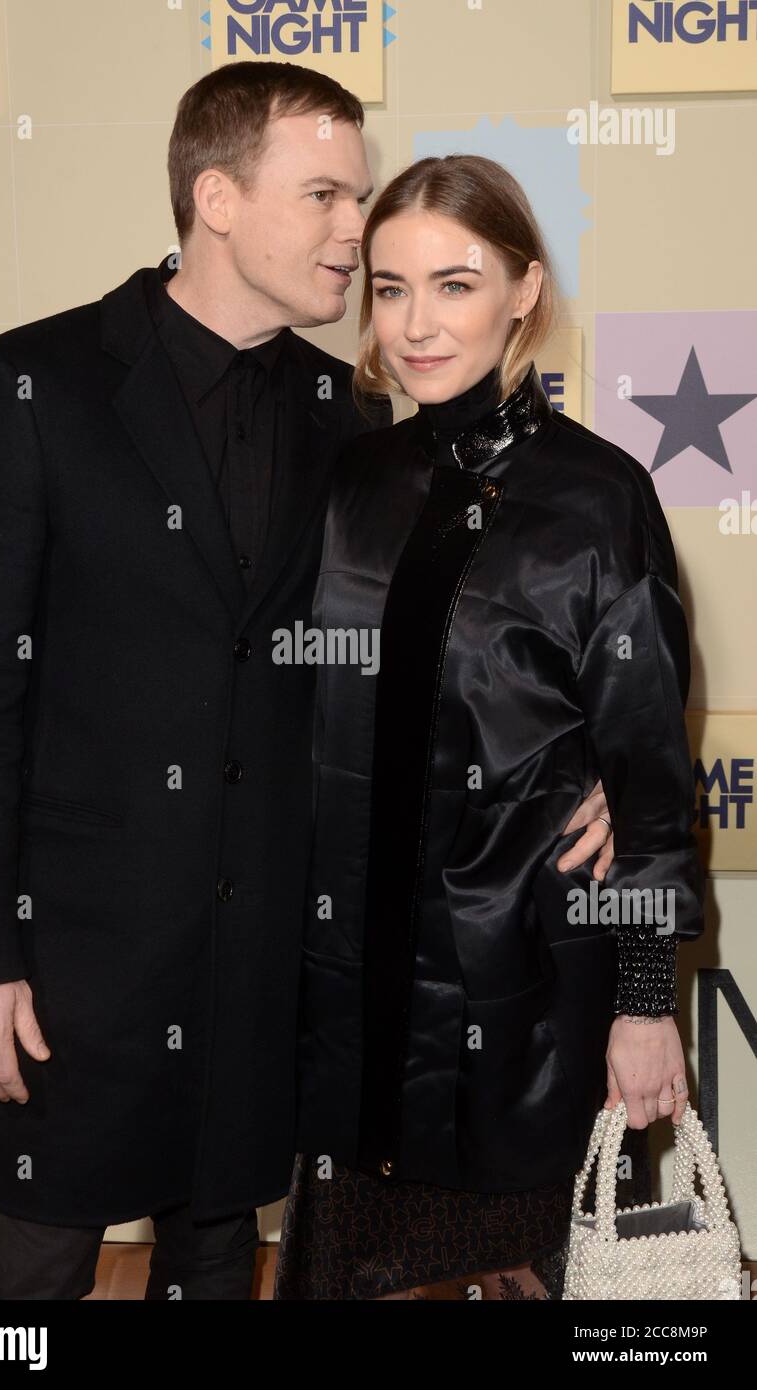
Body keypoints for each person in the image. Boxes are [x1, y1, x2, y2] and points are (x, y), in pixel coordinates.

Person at [0, 63, 609, 1300]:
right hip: (69, 967)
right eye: (330, 194)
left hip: (266, 961)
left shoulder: (353, 417)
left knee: (219, 1260)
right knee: (26, 1279)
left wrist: (585, 766)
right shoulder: (32, 385)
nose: (360, 226)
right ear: (218, 197)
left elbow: (476, 632)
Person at [274, 154, 704, 1302]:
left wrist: (647, 1005)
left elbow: (651, 784)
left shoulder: (600, 498)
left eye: (456, 285)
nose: (417, 325)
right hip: (355, 1013)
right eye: (393, 287)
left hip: (526, 1008)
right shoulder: (350, 476)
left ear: (525, 291)